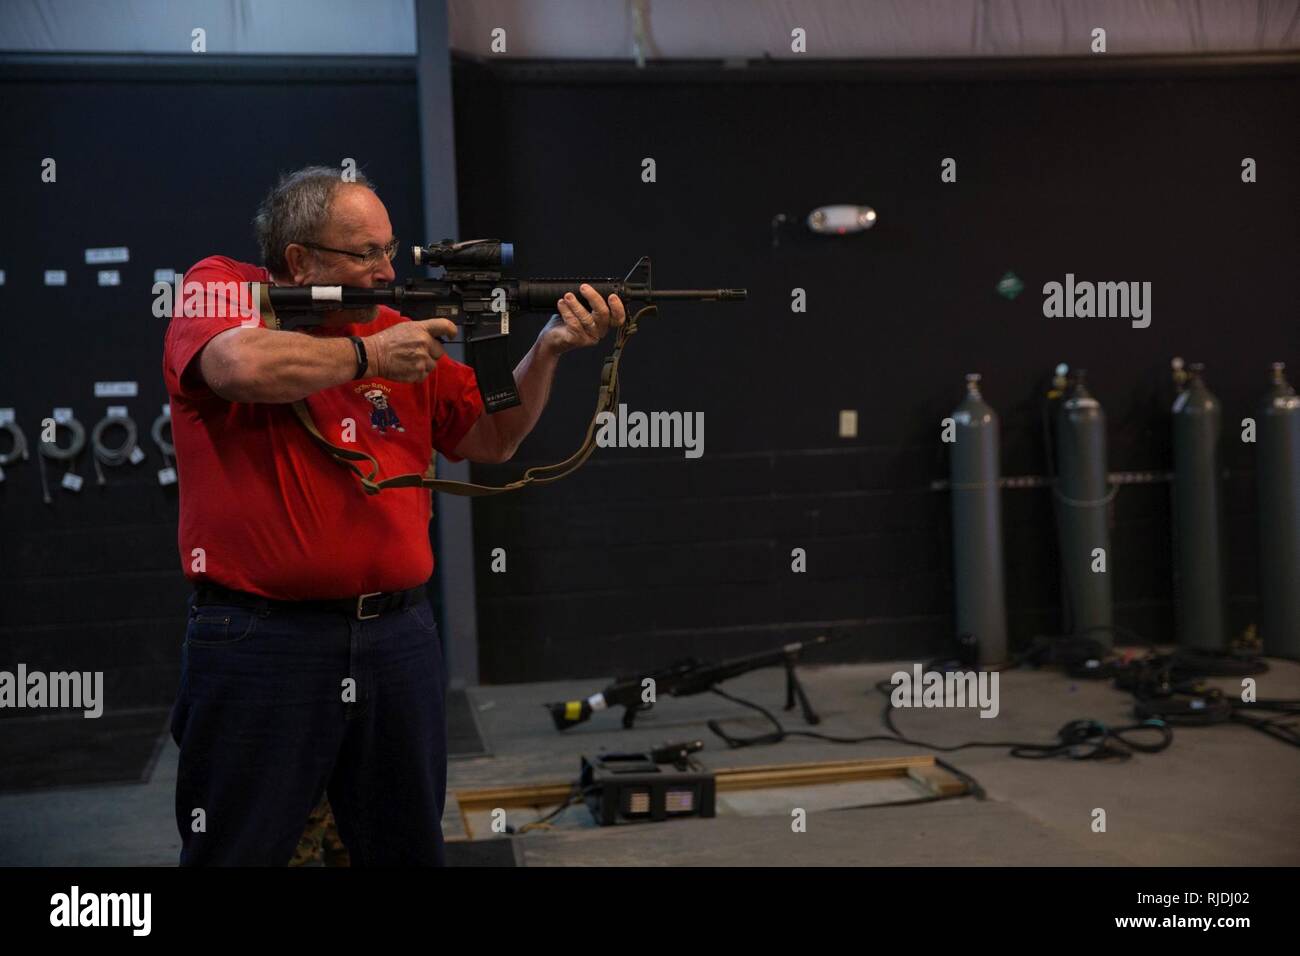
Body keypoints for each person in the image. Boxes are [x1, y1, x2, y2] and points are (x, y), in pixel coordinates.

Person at [163, 165, 624, 865]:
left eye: (389, 248)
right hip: (262, 642)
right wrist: (370, 355)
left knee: (402, 849)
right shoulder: (223, 286)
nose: (386, 268)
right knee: (239, 849)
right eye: (365, 253)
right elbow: (235, 368)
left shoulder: (396, 331)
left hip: (395, 638)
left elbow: (491, 437)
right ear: (300, 260)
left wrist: (548, 349)